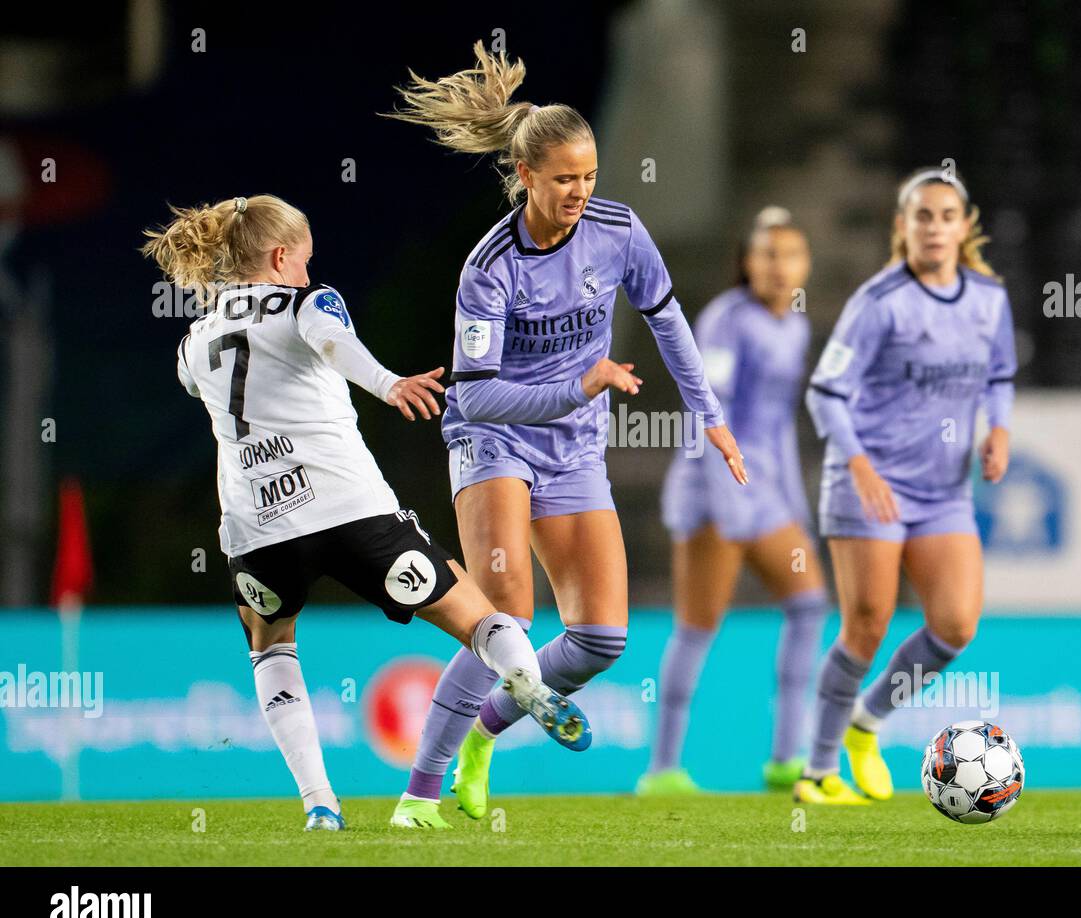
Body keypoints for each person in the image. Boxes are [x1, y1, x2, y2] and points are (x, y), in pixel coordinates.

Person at [142, 194, 590, 832]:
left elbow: (197, 382)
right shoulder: (306, 301)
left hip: (257, 529)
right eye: (303, 260)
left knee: (272, 648)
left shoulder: (194, 342)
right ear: (279, 256)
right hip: (350, 509)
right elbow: (333, 340)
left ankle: (319, 804)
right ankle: (525, 682)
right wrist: (389, 383)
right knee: (478, 617)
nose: (306, 271)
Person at [384, 41, 747, 821]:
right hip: (494, 443)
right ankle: (419, 793)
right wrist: (576, 385)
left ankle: (485, 735)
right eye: (563, 179)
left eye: (588, 175)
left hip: (575, 448)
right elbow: (476, 399)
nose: (580, 190)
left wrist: (708, 415)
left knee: (599, 641)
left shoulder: (618, 231)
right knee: (506, 612)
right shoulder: (489, 269)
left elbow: (667, 318)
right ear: (525, 177)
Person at [796, 167, 1016, 805]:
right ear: (903, 227)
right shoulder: (880, 301)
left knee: (954, 625)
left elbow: (1000, 375)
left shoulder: (988, 299)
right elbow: (826, 392)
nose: (935, 227)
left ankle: (867, 723)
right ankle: (817, 771)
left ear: (964, 226)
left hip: (943, 488)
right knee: (867, 622)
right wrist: (859, 463)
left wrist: (999, 431)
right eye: (923, 216)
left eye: (947, 216)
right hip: (872, 483)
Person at [638, 207, 830, 796]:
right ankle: (663, 770)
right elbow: (705, 412)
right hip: (711, 493)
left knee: (809, 605)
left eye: (791, 254)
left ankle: (784, 758)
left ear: (805, 264)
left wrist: (795, 504)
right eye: (768, 254)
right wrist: (726, 503)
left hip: (767, 493)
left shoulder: (795, 326)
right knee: (697, 626)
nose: (779, 266)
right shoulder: (725, 319)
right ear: (747, 263)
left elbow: (776, 427)